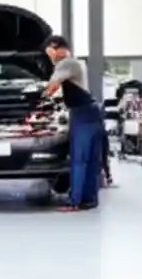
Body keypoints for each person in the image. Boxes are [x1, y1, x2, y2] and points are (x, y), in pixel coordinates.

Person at [41, 35, 104, 211]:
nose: (50, 58)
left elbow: (51, 88)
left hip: (82, 114)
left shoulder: (65, 64)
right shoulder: (77, 63)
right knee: (91, 160)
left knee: (79, 158)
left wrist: (37, 97)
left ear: (55, 48)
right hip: (93, 112)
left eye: (49, 53)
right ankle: (88, 200)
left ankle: (74, 201)